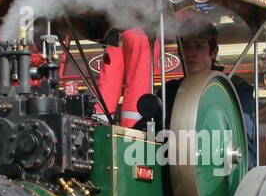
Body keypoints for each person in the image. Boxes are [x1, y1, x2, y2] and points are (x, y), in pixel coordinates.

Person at [164, 19, 257, 166]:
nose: (191, 53)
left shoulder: (236, 88)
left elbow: (241, 137)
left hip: (225, 168)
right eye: (186, 46)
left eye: (199, 46)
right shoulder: (169, 91)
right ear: (179, 52)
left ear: (213, 52)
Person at [95, 26, 158, 127]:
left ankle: (98, 125)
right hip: (142, 25)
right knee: (139, 83)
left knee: (111, 78)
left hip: (113, 23)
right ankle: (134, 129)